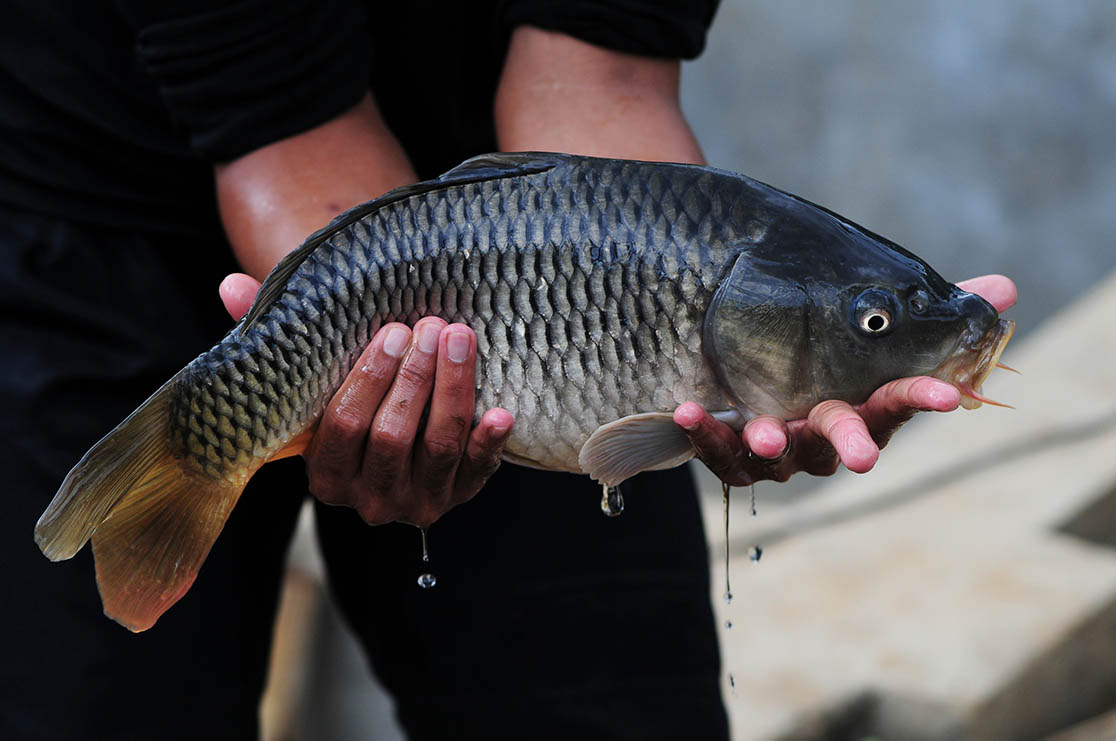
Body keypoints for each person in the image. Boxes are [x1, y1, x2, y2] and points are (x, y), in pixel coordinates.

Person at [0, 2, 1016, 739]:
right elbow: (280, 131)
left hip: (554, 255)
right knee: (102, 703)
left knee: (611, 705)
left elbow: (598, 77)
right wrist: (298, 357)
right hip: (124, 163)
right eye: (876, 319)